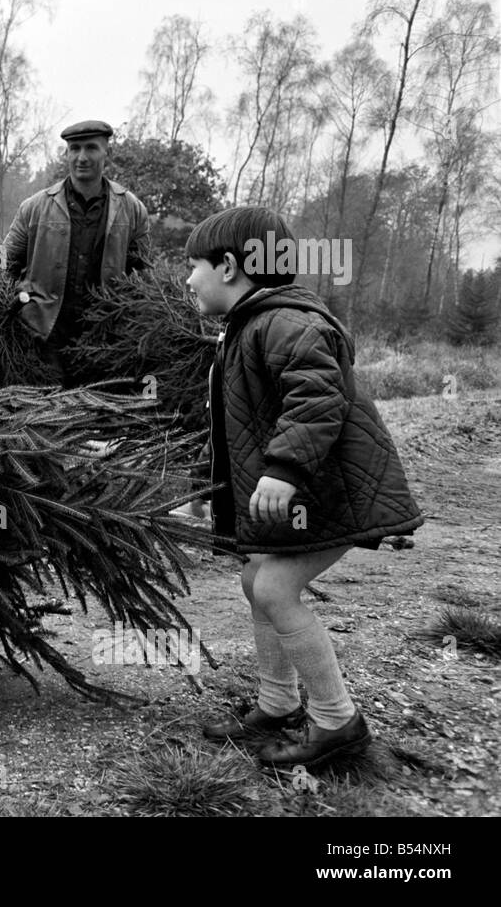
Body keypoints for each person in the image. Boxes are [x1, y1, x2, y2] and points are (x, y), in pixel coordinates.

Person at [185, 206, 424, 766]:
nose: (188, 279)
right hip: (308, 492)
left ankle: (338, 722)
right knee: (255, 578)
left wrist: (285, 471)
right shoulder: (251, 325)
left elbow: (317, 398)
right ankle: (277, 702)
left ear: (228, 267)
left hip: (328, 490)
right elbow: (235, 428)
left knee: (273, 589)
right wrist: (209, 484)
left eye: (193, 265)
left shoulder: (285, 323)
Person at [2, 119, 151, 382]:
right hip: (43, 339)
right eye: (75, 148)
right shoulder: (34, 207)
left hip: (104, 342)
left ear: (108, 153)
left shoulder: (132, 209)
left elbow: (144, 278)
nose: (82, 157)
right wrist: (23, 302)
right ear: (66, 153)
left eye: (91, 148)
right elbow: (3, 265)